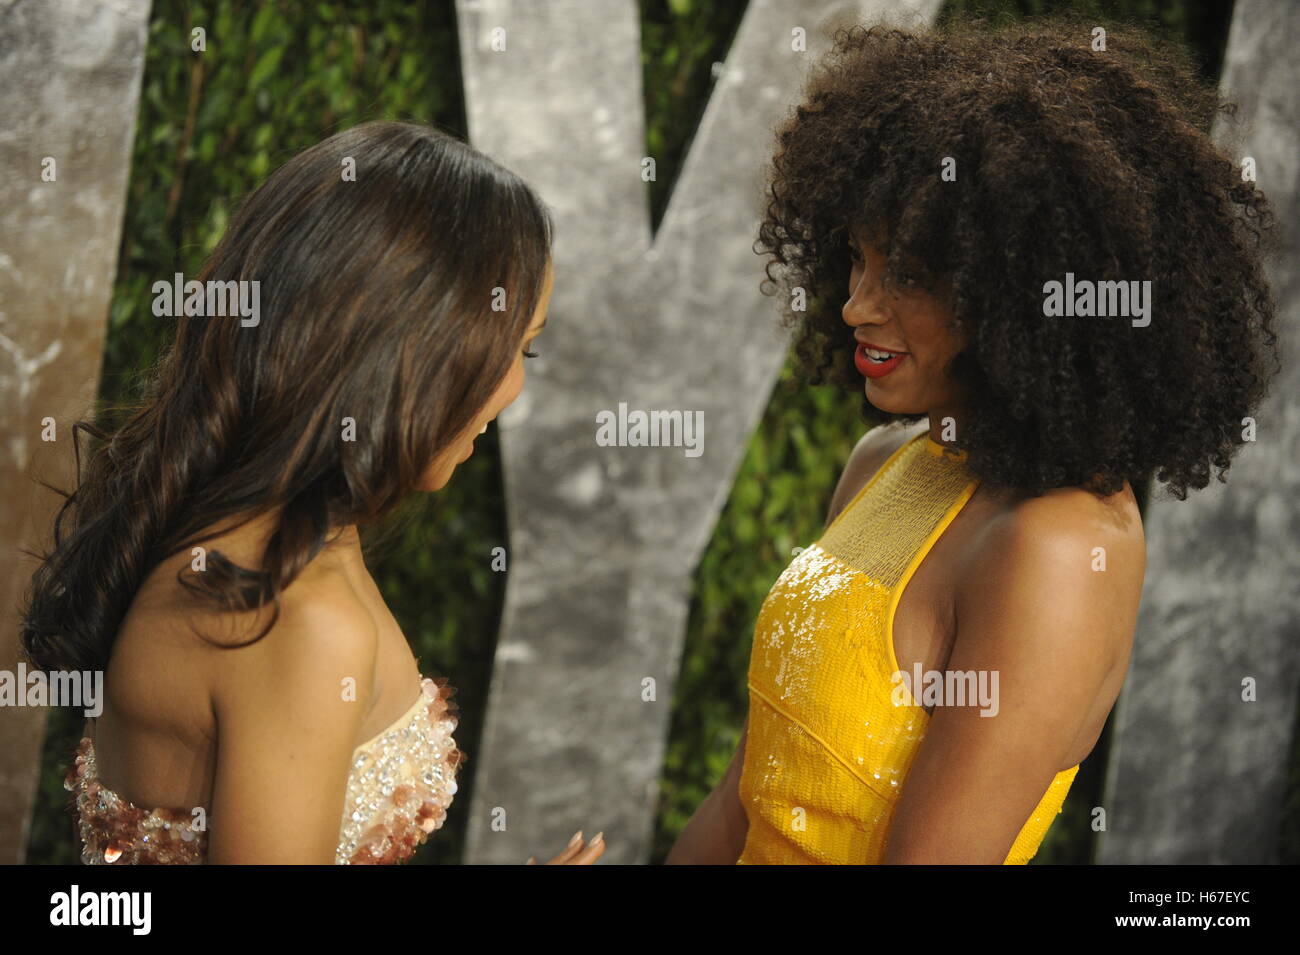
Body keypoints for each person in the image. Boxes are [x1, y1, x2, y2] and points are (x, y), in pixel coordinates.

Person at [668, 17, 1279, 864]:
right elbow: (748, 792)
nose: (857, 305)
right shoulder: (885, 463)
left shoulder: (1058, 546)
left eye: (909, 274)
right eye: (856, 258)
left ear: (1019, 299)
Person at [20, 121, 604, 865]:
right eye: (514, 348)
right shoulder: (297, 618)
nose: (515, 388)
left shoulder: (254, 531)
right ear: (408, 345)